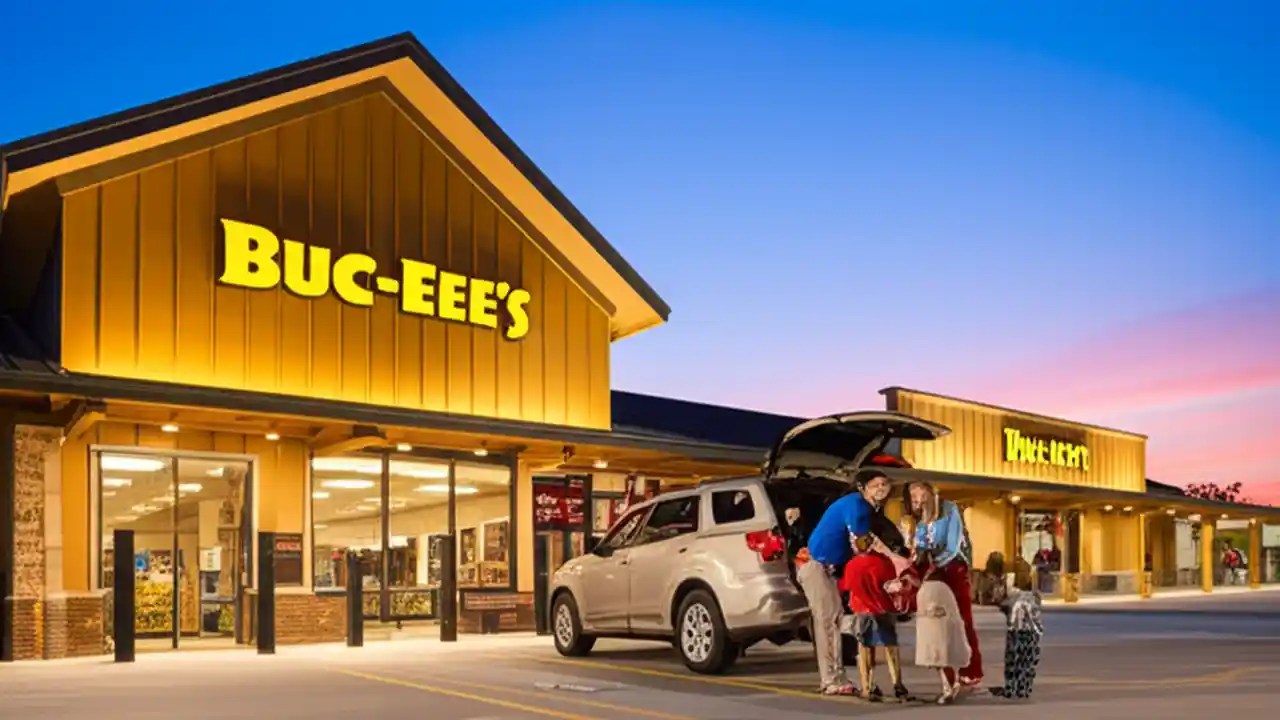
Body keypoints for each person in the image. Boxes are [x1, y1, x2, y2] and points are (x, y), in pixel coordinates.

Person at [796, 471, 895, 696]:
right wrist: (893, 558)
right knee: (828, 621)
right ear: (862, 487)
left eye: (884, 484)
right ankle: (831, 680)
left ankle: (837, 676)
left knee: (835, 619)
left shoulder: (865, 508)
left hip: (827, 569)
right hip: (815, 566)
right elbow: (860, 541)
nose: (881, 488)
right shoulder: (857, 505)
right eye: (875, 484)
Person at [907, 480, 984, 689]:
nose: (919, 501)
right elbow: (922, 546)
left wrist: (936, 564)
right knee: (936, 620)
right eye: (914, 498)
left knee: (963, 617)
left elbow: (953, 544)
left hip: (953, 567)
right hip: (932, 570)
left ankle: (972, 668)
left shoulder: (949, 510)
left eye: (922, 495)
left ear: (932, 494)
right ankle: (947, 669)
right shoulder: (920, 520)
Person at [913, 552, 971, 705]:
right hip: (943, 627)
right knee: (947, 660)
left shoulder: (931, 586)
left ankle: (948, 689)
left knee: (942, 662)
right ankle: (951, 685)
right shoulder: (944, 586)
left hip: (934, 630)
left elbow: (929, 608)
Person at [990, 589, 1044, 700]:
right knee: (1027, 663)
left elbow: (1003, 607)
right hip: (1030, 633)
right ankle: (1024, 689)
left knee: (1013, 661)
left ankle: (1010, 688)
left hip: (1015, 632)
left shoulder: (1011, 598)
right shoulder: (1033, 597)